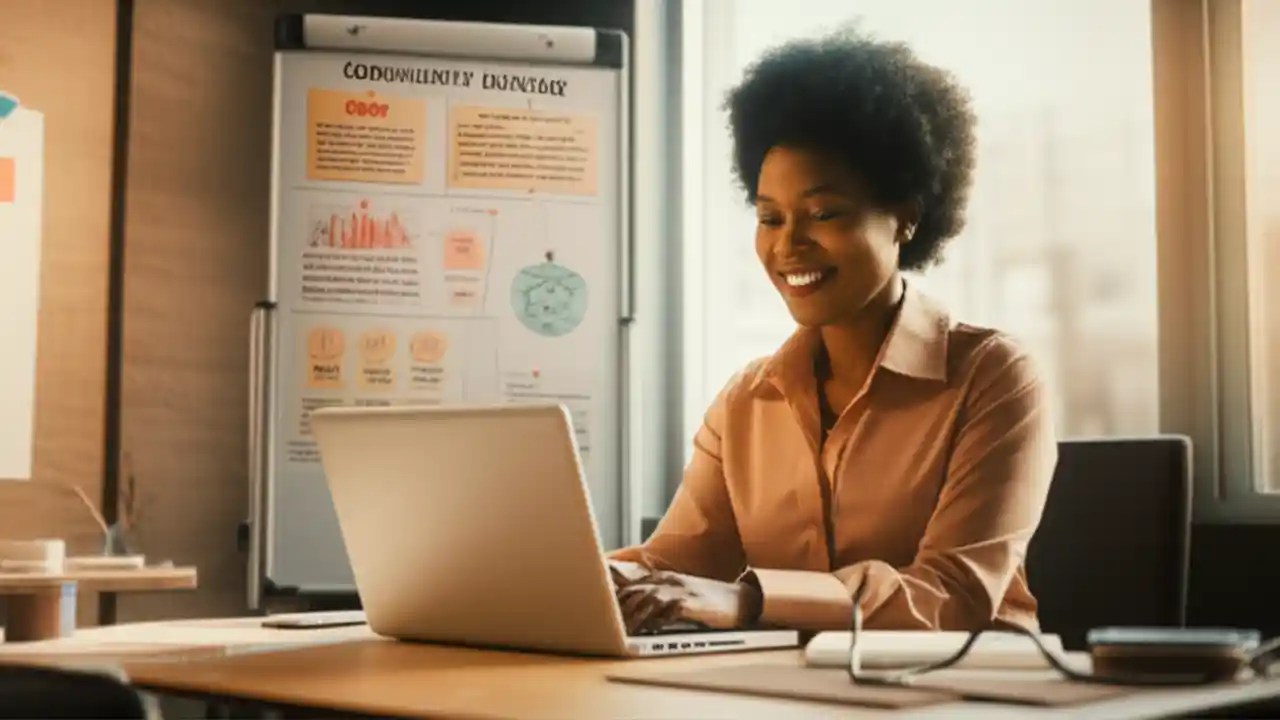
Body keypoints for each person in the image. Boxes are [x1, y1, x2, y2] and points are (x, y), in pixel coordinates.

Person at [609, 29, 1058, 634]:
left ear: (905, 216)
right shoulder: (746, 402)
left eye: (824, 214)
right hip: (796, 691)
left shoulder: (993, 377)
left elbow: (953, 595)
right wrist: (569, 577)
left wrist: (752, 602)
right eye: (770, 217)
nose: (788, 244)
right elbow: (673, 567)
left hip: (966, 691)